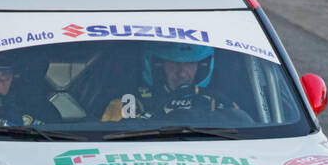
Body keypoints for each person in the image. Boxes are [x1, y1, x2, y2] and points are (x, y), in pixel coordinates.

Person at [101, 42, 236, 122]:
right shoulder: (130, 104)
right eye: (174, 63)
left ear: (200, 66)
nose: (182, 73)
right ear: (158, 65)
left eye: (189, 64)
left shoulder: (218, 103)